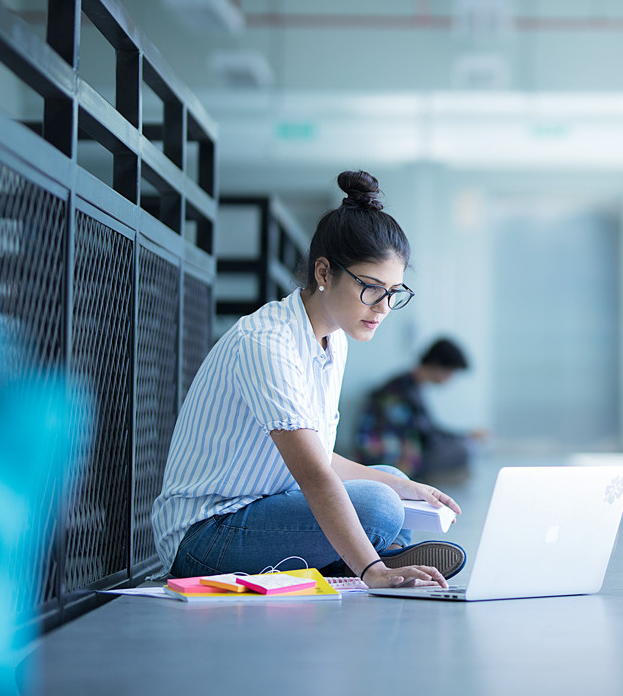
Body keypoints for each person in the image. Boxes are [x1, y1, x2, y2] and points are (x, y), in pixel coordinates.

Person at [151, 171, 464, 589]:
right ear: (323, 271)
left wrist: (411, 488)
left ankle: (363, 552)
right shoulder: (268, 342)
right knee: (380, 507)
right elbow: (315, 472)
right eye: (371, 289)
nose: (384, 307)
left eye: (393, 292)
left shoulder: (333, 339)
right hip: (205, 536)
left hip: (265, 507)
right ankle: (370, 559)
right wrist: (373, 574)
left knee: (396, 482)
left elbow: (321, 456)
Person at [353, 338, 486, 485]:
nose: (450, 379)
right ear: (437, 365)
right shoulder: (406, 391)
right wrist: (465, 437)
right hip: (390, 458)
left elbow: (427, 430)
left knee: (463, 455)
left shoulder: (404, 384)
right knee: (464, 451)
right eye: (450, 372)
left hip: (387, 453)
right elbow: (428, 435)